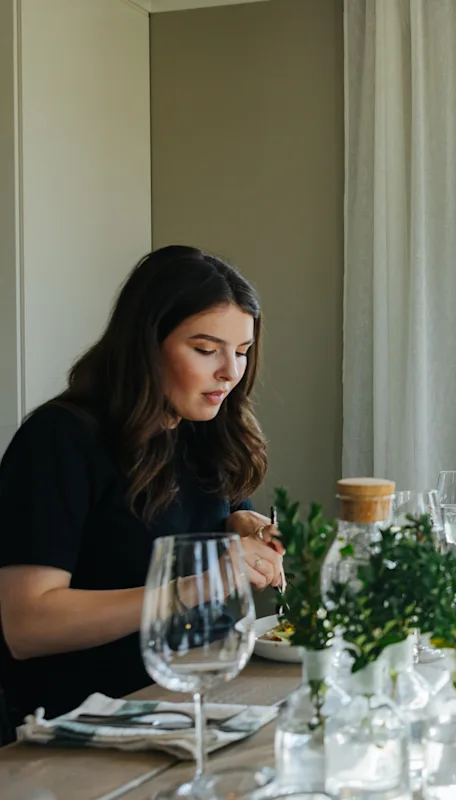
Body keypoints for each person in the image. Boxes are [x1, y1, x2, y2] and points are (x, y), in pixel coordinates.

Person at [0, 245, 284, 731]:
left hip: (195, 706)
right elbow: (26, 624)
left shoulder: (202, 429)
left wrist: (238, 522)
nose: (230, 373)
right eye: (205, 349)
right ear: (146, 343)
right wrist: (196, 587)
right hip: (83, 724)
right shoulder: (59, 438)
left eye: (241, 352)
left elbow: (190, 524)